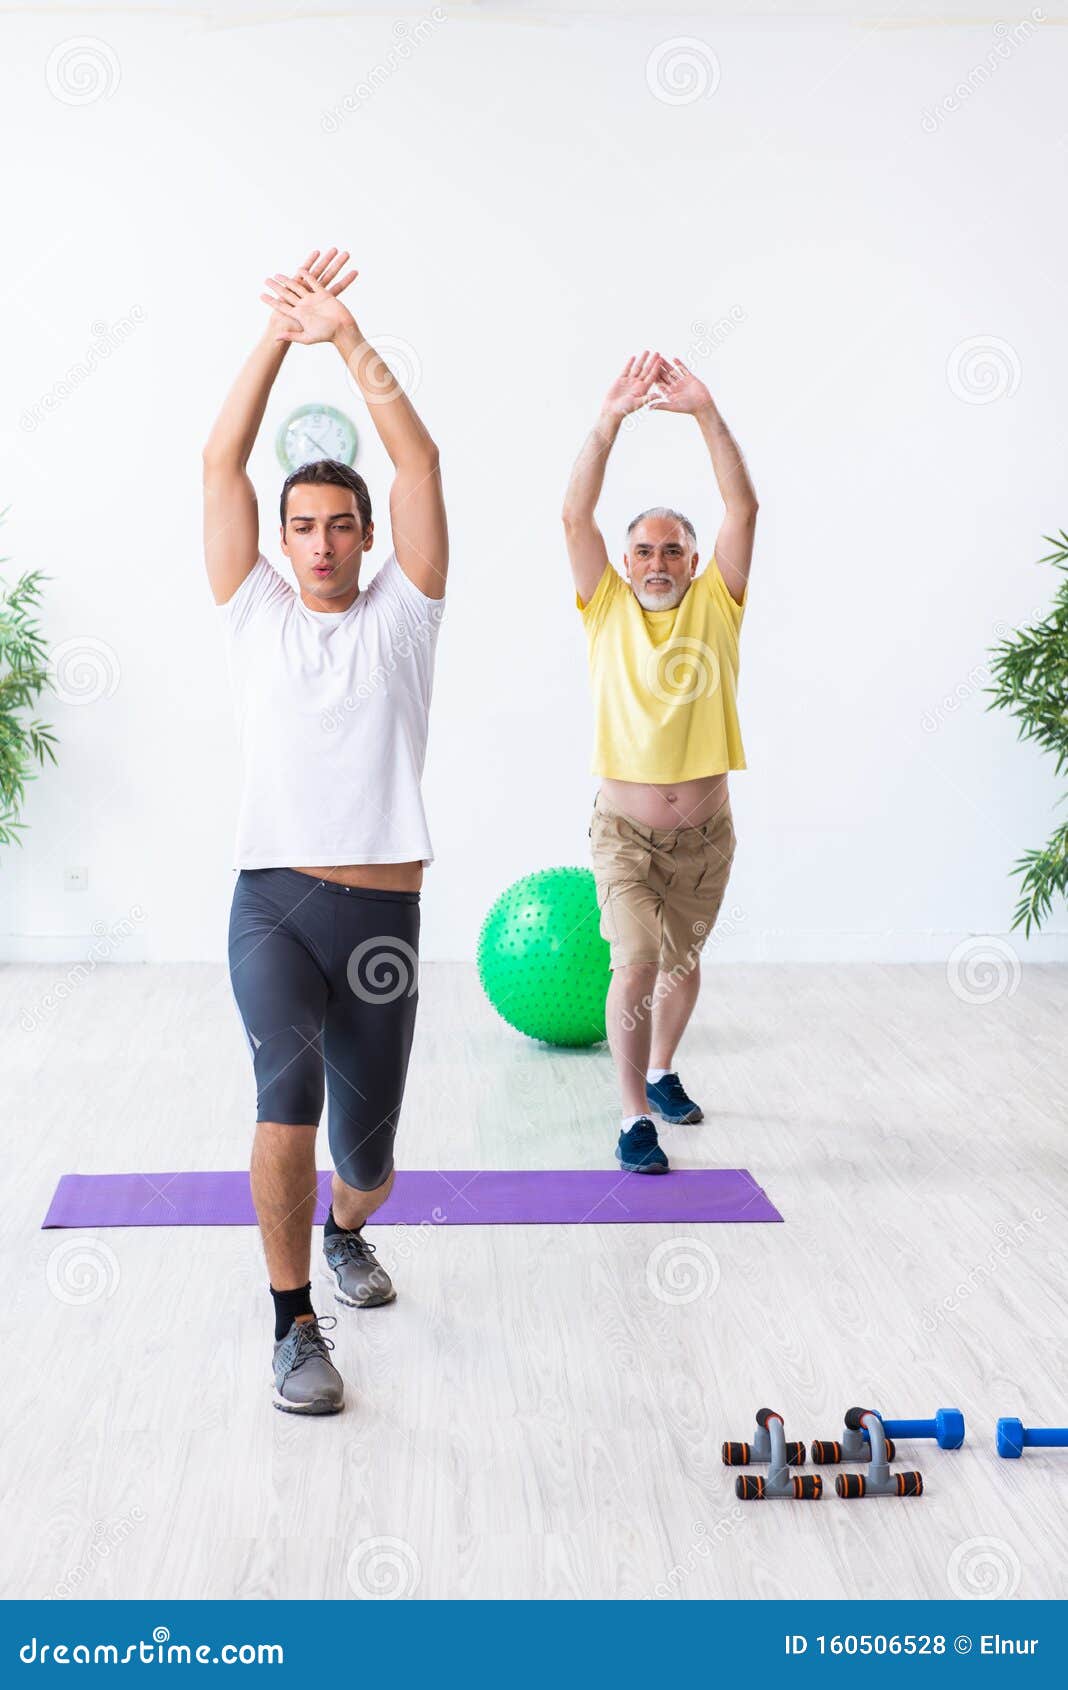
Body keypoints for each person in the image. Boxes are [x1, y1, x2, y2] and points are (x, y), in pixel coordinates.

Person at [203, 247, 448, 1414]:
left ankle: (348, 1227)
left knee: (370, 1160)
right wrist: (276, 338)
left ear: (366, 536)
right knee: (284, 1094)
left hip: (382, 920)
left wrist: (347, 338)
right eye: (301, 525)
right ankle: (293, 1321)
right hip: (274, 906)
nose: (318, 543)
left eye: (340, 525)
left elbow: (420, 463)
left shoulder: (406, 616)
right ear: (283, 536)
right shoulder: (253, 612)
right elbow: (220, 463)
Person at [563, 350, 757, 1174]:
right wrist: (609, 420)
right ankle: (632, 1116)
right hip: (626, 838)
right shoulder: (605, 605)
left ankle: (663, 1071)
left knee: (682, 965)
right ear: (626, 561)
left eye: (671, 550)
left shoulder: (719, 603)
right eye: (642, 550)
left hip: (706, 838)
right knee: (636, 963)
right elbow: (574, 516)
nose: (655, 563)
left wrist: (706, 413)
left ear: (693, 562)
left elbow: (743, 506)